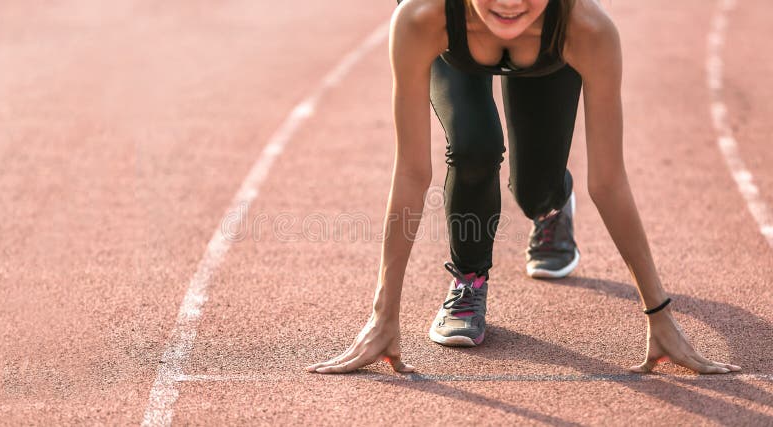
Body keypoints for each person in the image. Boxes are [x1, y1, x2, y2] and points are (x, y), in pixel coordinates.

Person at [306, 0, 741, 374]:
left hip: (548, 48)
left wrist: (659, 314)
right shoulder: (421, 17)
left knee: (535, 190)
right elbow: (411, 173)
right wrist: (384, 316)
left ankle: (552, 207)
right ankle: (469, 281)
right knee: (474, 147)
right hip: (455, 41)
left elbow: (608, 182)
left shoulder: (586, 27)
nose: (510, 3)